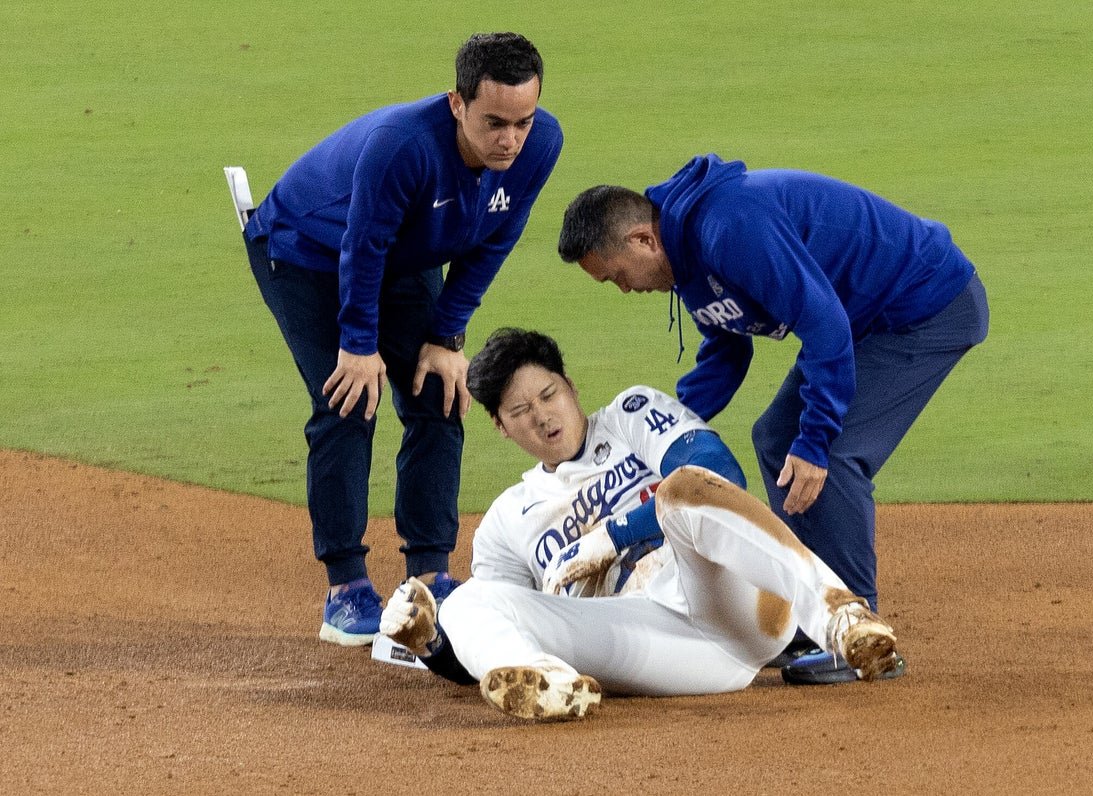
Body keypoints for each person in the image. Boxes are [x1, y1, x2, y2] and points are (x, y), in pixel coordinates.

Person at [557, 154, 989, 681]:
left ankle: (858, 631)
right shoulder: (687, 260)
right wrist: (666, 436)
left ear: (644, 240)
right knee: (776, 436)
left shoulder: (729, 228)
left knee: (830, 452)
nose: (624, 290)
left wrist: (815, 441)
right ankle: (812, 615)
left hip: (924, 305)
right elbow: (725, 352)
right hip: (860, 320)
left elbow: (824, 324)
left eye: (617, 277)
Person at [378, 328, 900, 721]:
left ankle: (838, 617)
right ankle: (553, 684)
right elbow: (493, 633)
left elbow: (719, 476)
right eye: (519, 410)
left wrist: (615, 534)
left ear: (571, 386)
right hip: (648, 646)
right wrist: (432, 644)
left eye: (548, 395)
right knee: (467, 601)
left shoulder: (631, 415)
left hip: (732, 604)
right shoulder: (504, 523)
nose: (542, 416)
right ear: (499, 425)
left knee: (680, 488)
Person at [241, 33, 563, 646]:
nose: (510, 140)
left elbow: (496, 237)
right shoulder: (404, 147)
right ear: (457, 104)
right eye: (494, 122)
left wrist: (447, 335)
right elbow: (362, 246)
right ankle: (345, 591)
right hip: (305, 249)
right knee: (347, 401)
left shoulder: (540, 144)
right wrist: (358, 345)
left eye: (522, 121)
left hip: (405, 255)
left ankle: (431, 577)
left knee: (441, 392)